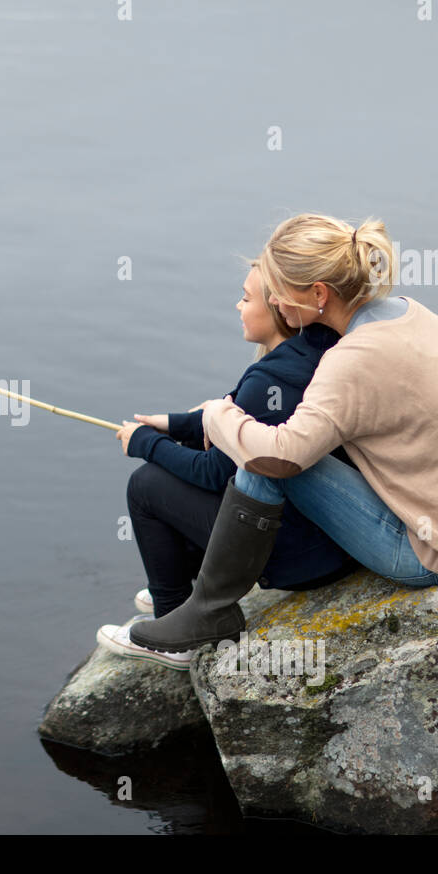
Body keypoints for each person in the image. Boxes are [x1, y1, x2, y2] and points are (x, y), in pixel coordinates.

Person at [130, 213, 438, 654]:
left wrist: (218, 414)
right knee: (273, 442)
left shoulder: (352, 358)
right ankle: (206, 599)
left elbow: (281, 457)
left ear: (318, 293)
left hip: (435, 554)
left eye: (278, 289)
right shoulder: (412, 313)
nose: (273, 299)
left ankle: (210, 609)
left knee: (271, 457)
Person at [101, 259, 359, 669]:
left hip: (295, 560)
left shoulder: (266, 381)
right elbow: (232, 410)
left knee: (147, 485)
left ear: (277, 308)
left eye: (245, 297)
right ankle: (180, 586)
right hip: (338, 543)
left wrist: (146, 443)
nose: (238, 306)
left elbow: (213, 472)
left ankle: (172, 626)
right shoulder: (318, 351)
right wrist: (175, 425)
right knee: (176, 476)